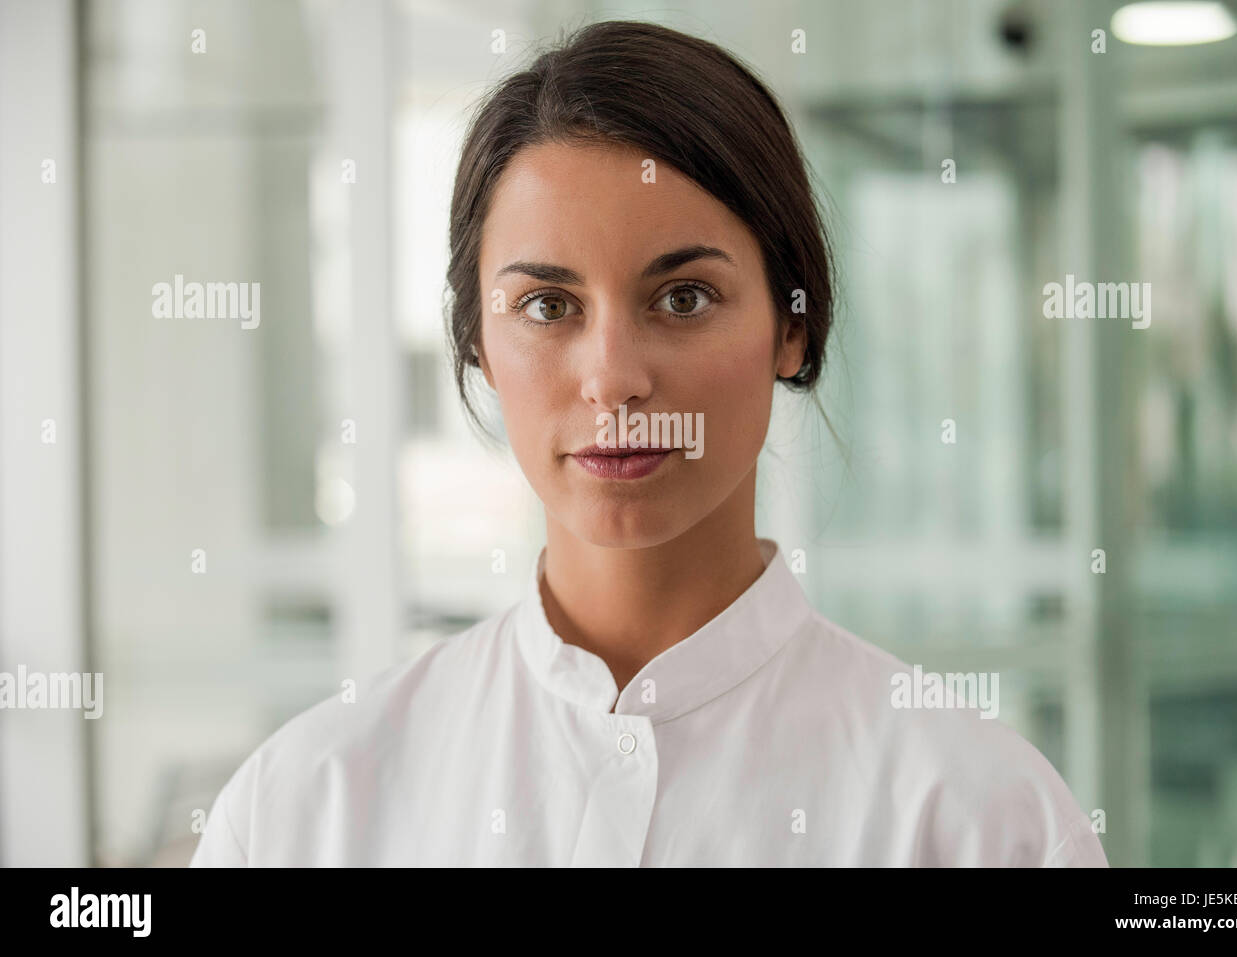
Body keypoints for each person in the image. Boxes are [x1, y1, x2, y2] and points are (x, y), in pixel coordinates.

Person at [191, 19, 1107, 867]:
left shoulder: (982, 824)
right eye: (547, 306)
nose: (613, 376)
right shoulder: (300, 814)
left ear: (794, 325)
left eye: (683, 298)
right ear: (476, 344)